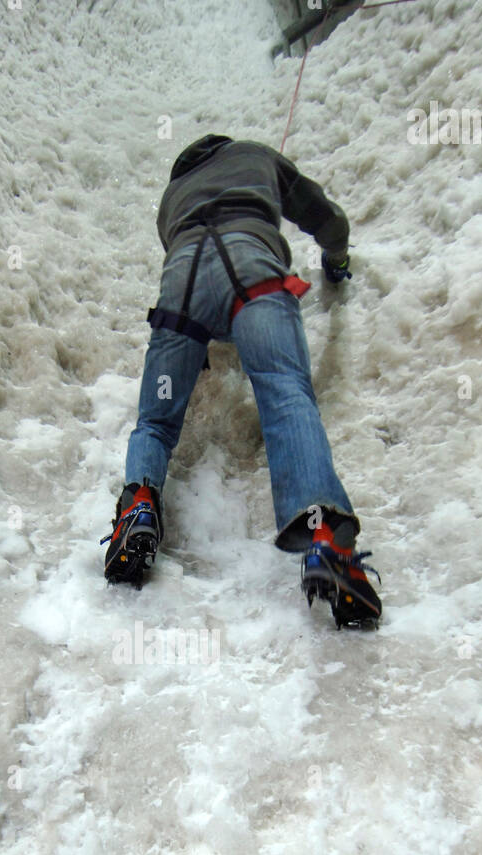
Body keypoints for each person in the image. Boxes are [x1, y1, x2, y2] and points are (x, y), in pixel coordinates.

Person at [101, 133, 381, 628]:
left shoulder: (171, 199)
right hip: (254, 271)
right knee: (284, 390)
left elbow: (204, 276)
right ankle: (322, 535)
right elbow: (325, 218)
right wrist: (336, 261)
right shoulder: (256, 155)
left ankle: (138, 506)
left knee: (157, 420)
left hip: (182, 291)